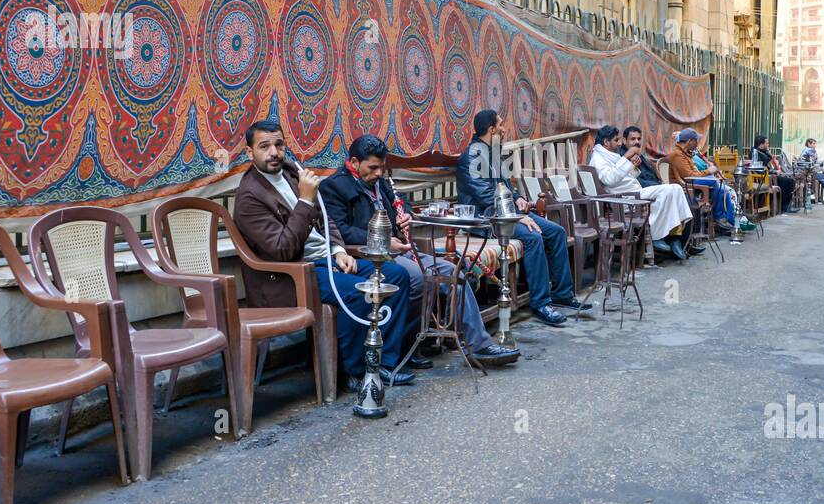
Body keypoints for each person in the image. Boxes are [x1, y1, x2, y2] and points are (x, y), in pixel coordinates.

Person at [233, 120, 420, 392]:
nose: (273, 152)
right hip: (291, 275)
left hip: (326, 261)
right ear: (250, 153)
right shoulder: (249, 196)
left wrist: (338, 249)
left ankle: (383, 365)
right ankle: (354, 372)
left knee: (397, 276)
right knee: (357, 292)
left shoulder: (292, 173)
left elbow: (325, 215)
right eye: (264, 146)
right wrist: (305, 201)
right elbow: (282, 250)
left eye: (278, 144)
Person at [320, 135, 520, 368]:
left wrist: (405, 215)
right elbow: (340, 231)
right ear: (354, 162)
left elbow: (401, 203)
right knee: (417, 277)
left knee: (454, 273)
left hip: (399, 250)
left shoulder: (380, 182)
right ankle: (408, 345)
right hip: (368, 256)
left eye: (381, 168)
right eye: (372, 168)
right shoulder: (333, 187)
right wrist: (384, 241)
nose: (377, 173)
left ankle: (479, 345)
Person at [456, 109, 592, 325]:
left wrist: (518, 199)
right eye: (500, 125)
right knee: (532, 236)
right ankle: (541, 304)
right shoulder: (471, 157)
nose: (503, 128)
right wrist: (518, 218)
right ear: (491, 129)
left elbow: (506, 188)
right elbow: (487, 198)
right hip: (487, 220)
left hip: (506, 213)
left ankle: (562, 294)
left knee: (556, 232)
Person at [591, 125, 698, 259]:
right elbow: (609, 178)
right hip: (626, 198)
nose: (618, 143)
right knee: (667, 192)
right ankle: (656, 234)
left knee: (675, 189)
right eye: (616, 140)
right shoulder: (598, 159)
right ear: (606, 142)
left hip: (633, 191)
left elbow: (622, 177)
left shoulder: (607, 156)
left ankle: (676, 235)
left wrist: (632, 165)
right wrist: (626, 158)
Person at [667, 128, 737, 232]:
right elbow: (688, 175)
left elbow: (694, 172)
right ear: (689, 141)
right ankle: (719, 217)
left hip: (692, 180)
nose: (697, 143)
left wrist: (709, 171)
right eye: (696, 140)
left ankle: (729, 224)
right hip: (686, 184)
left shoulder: (686, 152)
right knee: (714, 182)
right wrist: (709, 171)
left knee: (723, 190)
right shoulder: (677, 154)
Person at [751, 136, 795, 212]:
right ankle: (784, 207)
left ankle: (784, 206)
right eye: (767, 143)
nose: (768, 145)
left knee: (789, 181)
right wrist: (774, 172)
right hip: (764, 178)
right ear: (761, 145)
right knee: (789, 182)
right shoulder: (755, 153)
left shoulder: (764, 151)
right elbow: (759, 168)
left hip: (770, 175)